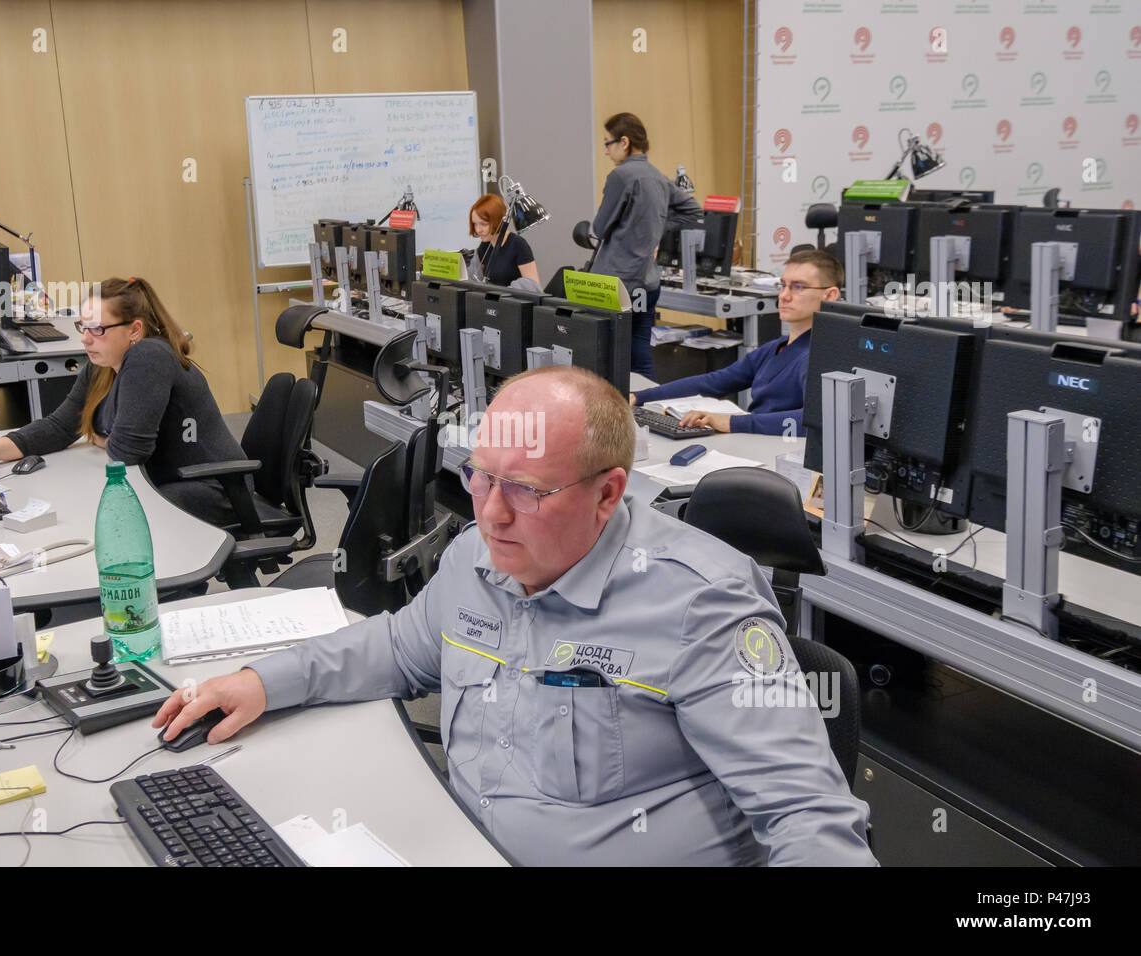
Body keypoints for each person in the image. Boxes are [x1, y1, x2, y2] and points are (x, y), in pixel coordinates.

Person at [154, 365, 875, 867]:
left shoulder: (701, 605)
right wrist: (261, 681)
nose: (489, 513)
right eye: (479, 476)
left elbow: (809, 818)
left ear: (607, 493)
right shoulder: (478, 558)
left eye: (525, 490)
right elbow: (395, 650)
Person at [0, 277, 247, 525]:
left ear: (134, 330)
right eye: (82, 327)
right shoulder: (104, 365)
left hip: (213, 488)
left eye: (97, 329)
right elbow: (61, 426)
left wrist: (101, 440)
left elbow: (127, 453)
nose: (85, 339)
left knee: (99, 516)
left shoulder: (150, 356)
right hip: (167, 479)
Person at [630, 248, 844, 436]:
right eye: (783, 285)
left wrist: (731, 422)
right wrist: (639, 397)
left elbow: (814, 422)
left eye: (798, 287)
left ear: (830, 295)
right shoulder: (777, 347)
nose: (784, 296)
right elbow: (715, 382)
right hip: (757, 443)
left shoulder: (820, 356)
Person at [591, 112, 700, 379]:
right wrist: (656, 226)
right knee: (640, 352)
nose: (606, 150)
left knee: (606, 358)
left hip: (614, 282)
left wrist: (649, 225)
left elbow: (599, 228)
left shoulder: (621, 176)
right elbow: (693, 211)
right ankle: (644, 410)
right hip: (647, 282)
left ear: (624, 141)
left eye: (608, 143)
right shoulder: (659, 177)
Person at [469, 194, 539, 286]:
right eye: (475, 224)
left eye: (484, 224)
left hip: (511, 299)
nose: (478, 230)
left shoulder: (518, 245)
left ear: (498, 220)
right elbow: (477, 278)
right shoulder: (485, 245)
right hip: (493, 299)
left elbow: (533, 285)